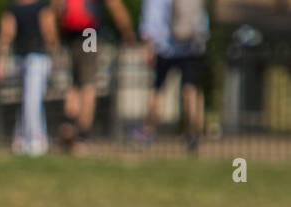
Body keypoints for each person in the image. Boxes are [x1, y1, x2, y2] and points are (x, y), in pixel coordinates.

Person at [54, 0, 136, 153]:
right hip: (89, 33)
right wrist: (127, 31)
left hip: (71, 35)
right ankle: (82, 136)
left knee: (74, 83)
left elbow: (57, 7)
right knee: (88, 83)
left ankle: (68, 125)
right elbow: (115, 6)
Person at [138, 0, 208, 153]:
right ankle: (193, 134)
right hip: (190, 47)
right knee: (190, 91)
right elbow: (201, 18)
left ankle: (148, 131)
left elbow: (151, 19)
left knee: (157, 90)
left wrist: (148, 45)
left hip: (164, 47)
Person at [0, 0, 59, 156]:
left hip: (20, 58)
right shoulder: (42, 8)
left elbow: (6, 35)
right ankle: (34, 139)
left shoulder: (13, 9)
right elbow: (49, 32)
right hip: (37, 57)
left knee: (28, 100)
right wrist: (55, 51)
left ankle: (21, 138)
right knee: (33, 101)